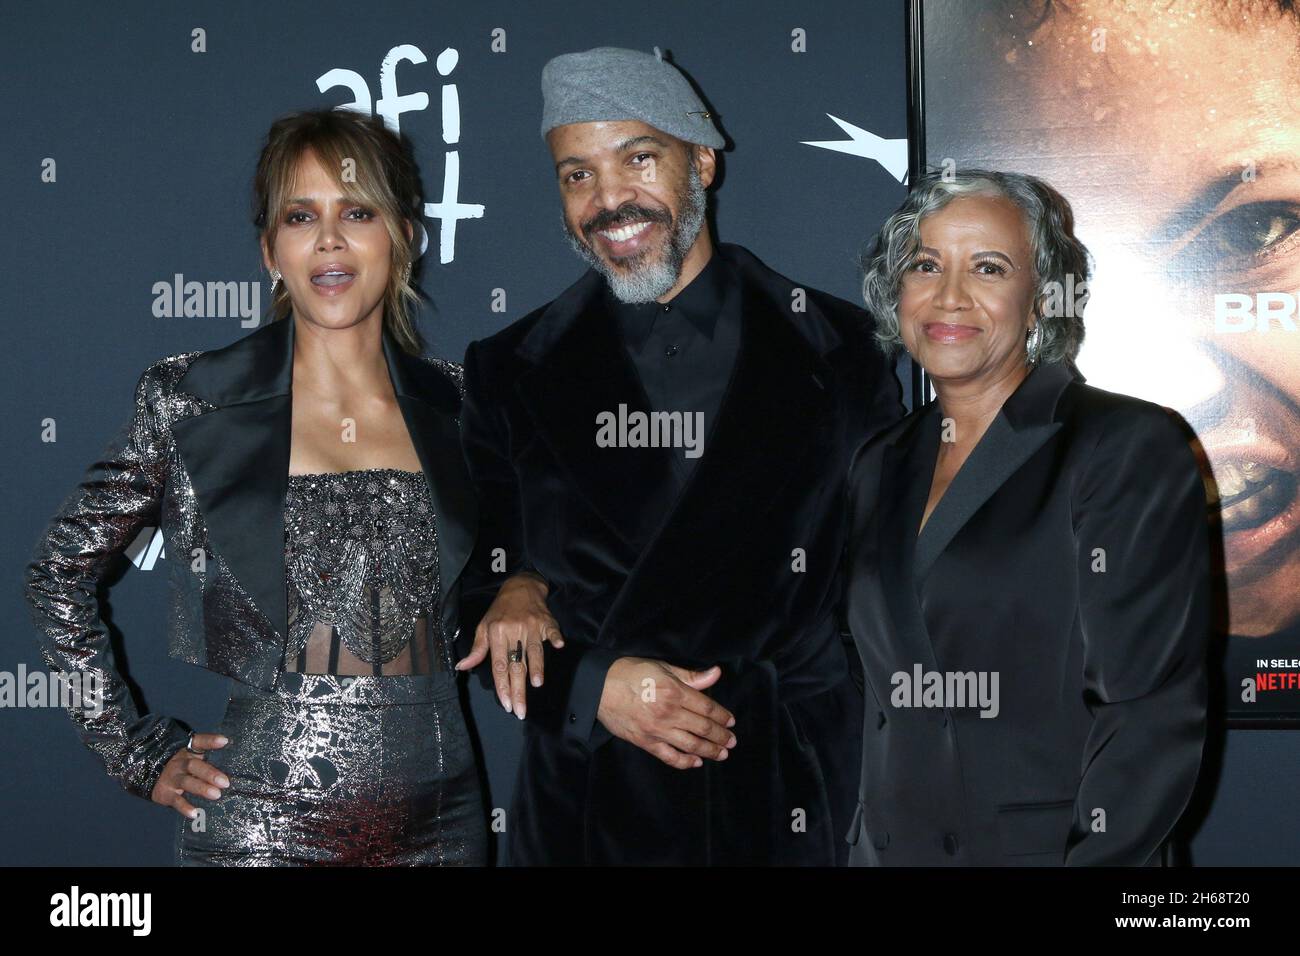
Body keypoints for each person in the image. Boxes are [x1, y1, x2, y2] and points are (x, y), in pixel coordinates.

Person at [454, 46, 904, 865]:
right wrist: (593, 687)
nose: (609, 199)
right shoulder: (509, 370)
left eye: (639, 158)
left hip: (783, 793)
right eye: (577, 174)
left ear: (702, 159)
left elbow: (881, 588)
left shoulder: (840, 350)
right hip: (591, 805)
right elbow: (477, 592)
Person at [25, 108, 488, 865]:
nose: (330, 240)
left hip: (442, 821)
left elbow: (545, 551)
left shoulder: (468, 407)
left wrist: (526, 588)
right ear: (270, 248)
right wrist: (134, 752)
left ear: (405, 234)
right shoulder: (192, 399)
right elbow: (56, 575)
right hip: (263, 826)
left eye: (358, 212)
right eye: (301, 216)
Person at [844, 168, 1212, 865]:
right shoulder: (880, 460)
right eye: (925, 264)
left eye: (988, 267)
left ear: (1042, 299)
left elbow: (1148, 717)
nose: (949, 294)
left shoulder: (1122, 444)